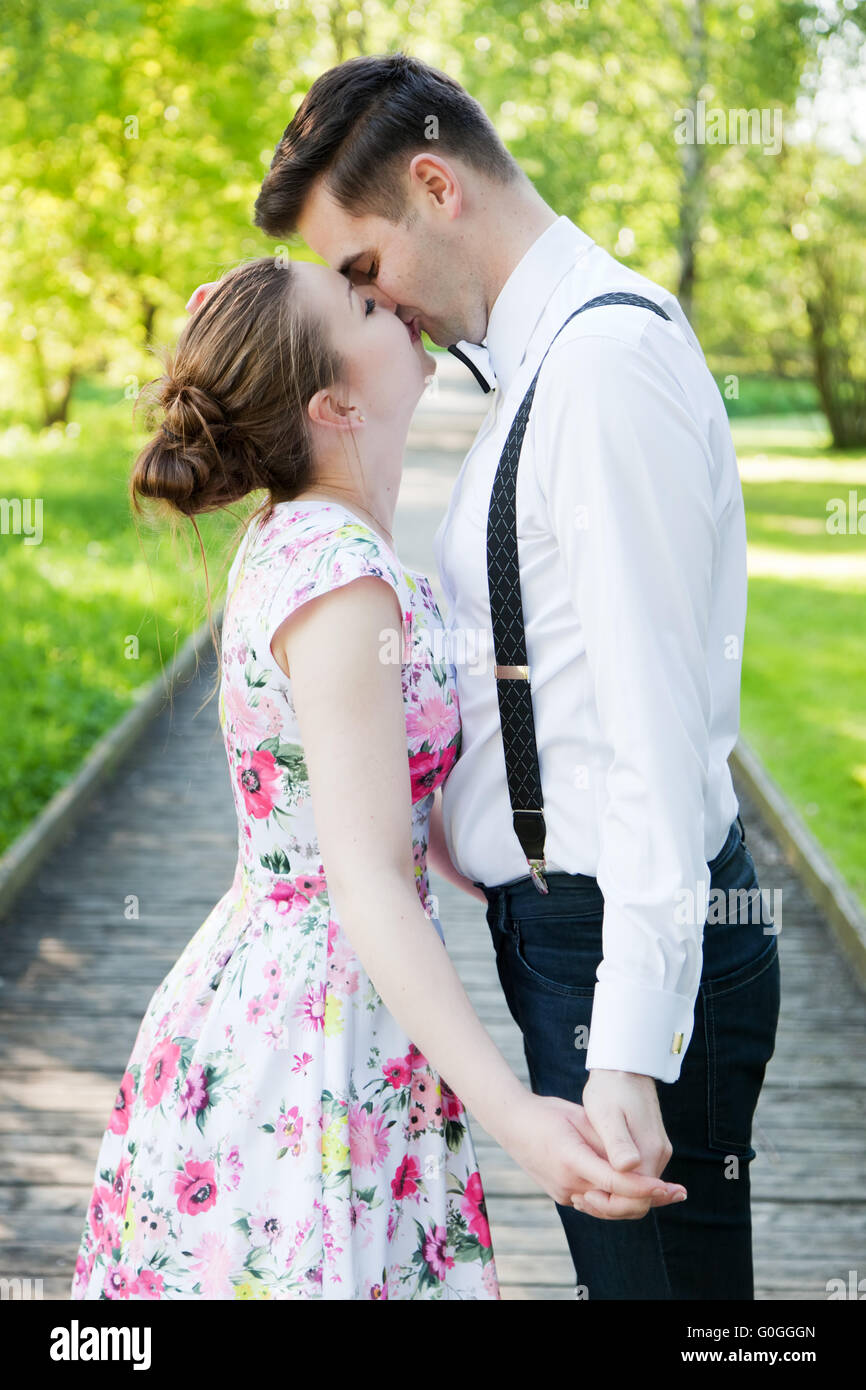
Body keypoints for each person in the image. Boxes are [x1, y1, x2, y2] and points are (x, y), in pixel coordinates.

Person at [250, 50, 782, 1299]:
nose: (376, 312)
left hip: (617, 942)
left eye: (365, 273)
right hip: (566, 933)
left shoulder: (598, 370)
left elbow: (649, 736)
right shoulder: (543, 364)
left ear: (435, 184)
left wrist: (630, 1047)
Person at [69, 255, 686, 1302]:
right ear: (334, 401)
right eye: (363, 306)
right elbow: (364, 878)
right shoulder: (341, 585)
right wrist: (520, 1120)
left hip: (327, 1001)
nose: (396, 301)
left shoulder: (322, 543)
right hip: (311, 1029)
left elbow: (411, 818)